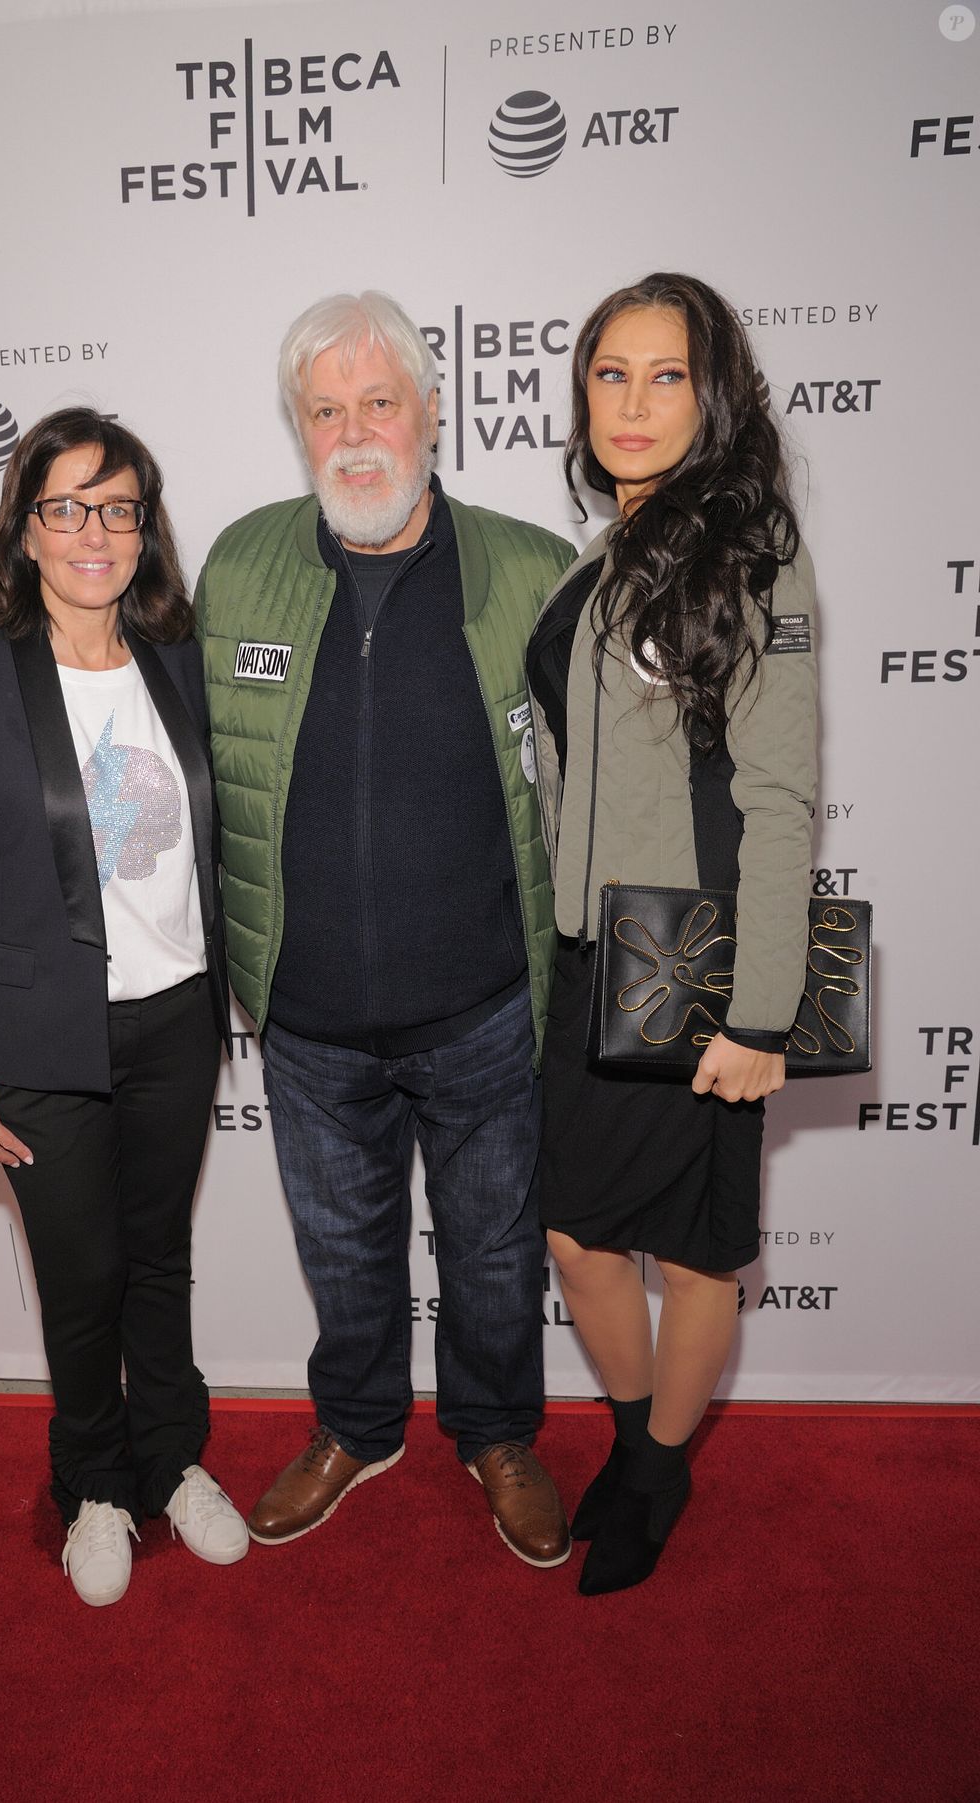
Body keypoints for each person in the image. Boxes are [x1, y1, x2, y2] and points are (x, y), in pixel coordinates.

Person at [195, 291, 576, 1567]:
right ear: (298, 430)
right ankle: (357, 1427)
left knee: (491, 1252)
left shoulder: (527, 567)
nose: (355, 433)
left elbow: (603, 782)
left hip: (482, 1009)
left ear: (428, 411)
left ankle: (497, 1434)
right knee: (344, 1254)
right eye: (325, 410)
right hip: (307, 1024)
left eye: (379, 402)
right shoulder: (241, 564)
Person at [0, 407, 249, 1606]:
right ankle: (94, 1482)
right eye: (66, 506)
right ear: (25, 527)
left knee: (160, 1262)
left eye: (118, 508)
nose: (93, 531)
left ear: (145, 530)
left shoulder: (179, 663)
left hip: (178, 1019)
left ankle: (173, 1460)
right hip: (40, 1038)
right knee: (81, 1273)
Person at [527, 274, 818, 1594]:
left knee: (695, 1243)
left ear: (713, 394)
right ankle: (642, 1431)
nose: (633, 402)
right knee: (580, 1236)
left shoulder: (753, 545)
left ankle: (655, 1464)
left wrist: (762, 1014)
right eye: (610, 373)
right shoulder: (600, 552)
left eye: (665, 374)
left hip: (696, 954)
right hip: (592, 952)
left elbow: (777, 791)